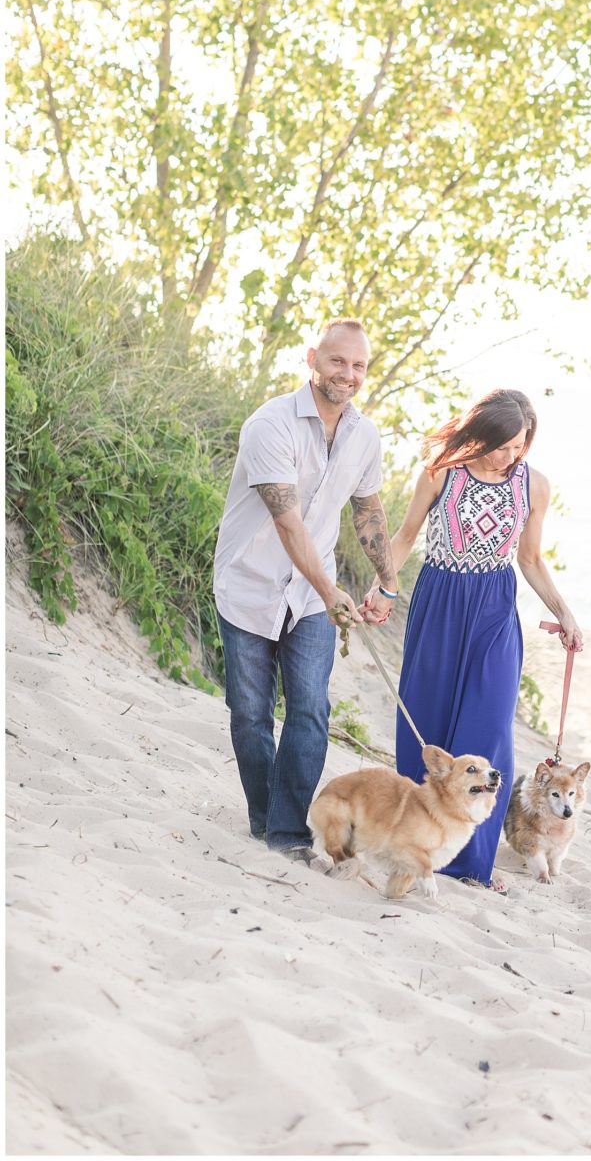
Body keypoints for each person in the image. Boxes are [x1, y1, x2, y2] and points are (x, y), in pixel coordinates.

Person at [378, 388, 583, 893]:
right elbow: (405, 536)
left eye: (520, 446)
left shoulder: (533, 485)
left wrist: (565, 615)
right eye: (503, 445)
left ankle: (471, 865)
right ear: (480, 434)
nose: (511, 456)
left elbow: (530, 560)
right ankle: (419, 845)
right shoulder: (442, 470)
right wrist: (381, 586)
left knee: (488, 730)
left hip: (494, 611)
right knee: (427, 727)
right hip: (439, 602)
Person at [213, 317, 398, 862]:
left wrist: (386, 583)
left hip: (310, 600)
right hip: (250, 585)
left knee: (311, 709)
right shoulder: (270, 424)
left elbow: (368, 510)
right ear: (313, 358)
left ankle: (289, 832)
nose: (348, 374)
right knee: (250, 712)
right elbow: (287, 522)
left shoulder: (364, 436)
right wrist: (330, 587)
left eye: (359, 365)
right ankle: (263, 815)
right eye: (338, 361)